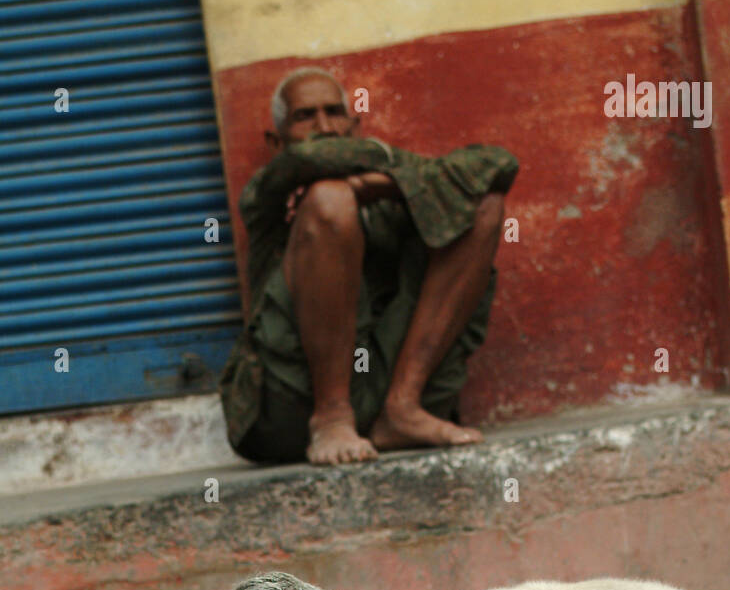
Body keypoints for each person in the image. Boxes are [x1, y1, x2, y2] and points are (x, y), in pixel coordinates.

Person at [219, 67, 519, 466]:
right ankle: (332, 417)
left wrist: (374, 185)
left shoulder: (387, 198)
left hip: (381, 385)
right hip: (291, 400)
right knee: (330, 199)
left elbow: (497, 164)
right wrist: (394, 171)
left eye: (334, 113)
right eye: (305, 117)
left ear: (354, 125)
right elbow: (311, 158)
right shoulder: (268, 192)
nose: (324, 128)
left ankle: (403, 408)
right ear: (276, 142)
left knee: (482, 207)